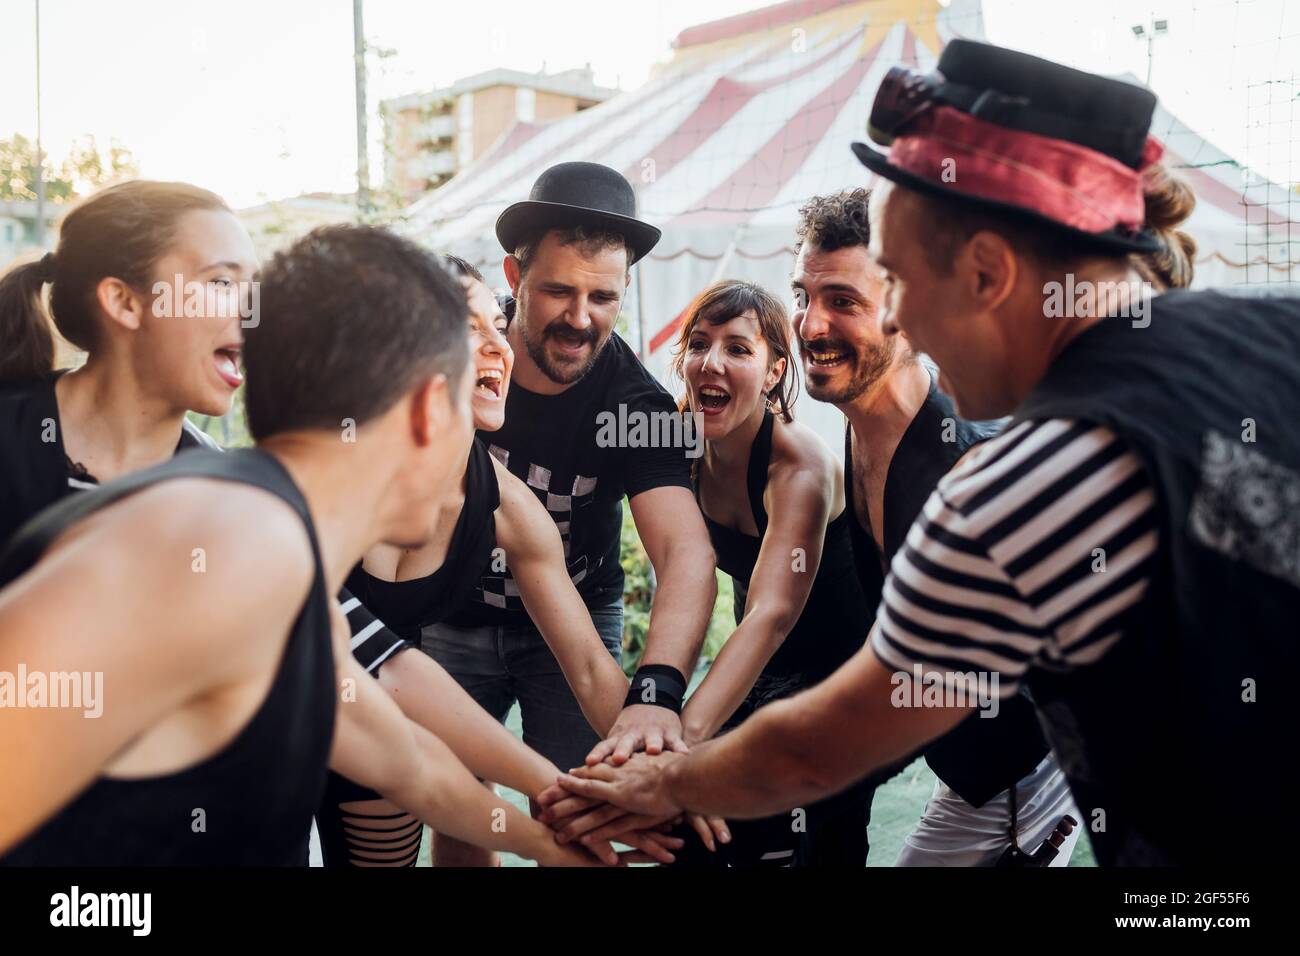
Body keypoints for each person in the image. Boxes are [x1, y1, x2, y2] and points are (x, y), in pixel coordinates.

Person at [541, 39, 1300, 867]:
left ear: (987, 273)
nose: (898, 319)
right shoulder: (1279, 328)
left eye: (893, 282)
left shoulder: (1011, 489)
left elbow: (816, 747)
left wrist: (662, 784)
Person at [0, 223, 620, 866]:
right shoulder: (226, 544)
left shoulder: (279, 554)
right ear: (429, 407)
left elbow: (408, 761)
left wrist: (555, 840)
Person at [419, 161, 719, 863]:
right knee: (456, 812)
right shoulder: (454, 353)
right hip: (447, 611)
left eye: (603, 297)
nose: (580, 320)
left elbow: (686, 553)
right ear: (513, 277)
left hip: (572, 618)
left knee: (595, 804)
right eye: (557, 290)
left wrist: (656, 693)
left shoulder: (638, 406)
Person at [316, 255, 655, 868]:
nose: (501, 346)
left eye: (498, 324)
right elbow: (379, 669)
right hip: (267, 717)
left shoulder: (504, 503)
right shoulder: (322, 481)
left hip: (380, 714)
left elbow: (586, 663)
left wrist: (667, 771)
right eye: (469, 328)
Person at [790, 189, 1077, 867]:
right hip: (972, 779)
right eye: (803, 295)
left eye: (843, 301)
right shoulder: (854, 436)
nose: (809, 323)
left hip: (1034, 783)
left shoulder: (971, 463)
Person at [659, 278, 873, 867]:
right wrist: (664, 705)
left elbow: (772, 612)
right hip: (761, 667)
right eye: (699, 344)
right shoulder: (680, 446)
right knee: (692, 826)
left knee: (812, 839)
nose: (712, 362)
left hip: (844, 675)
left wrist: (687, 733)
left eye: (738, 348)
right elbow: (685, 578)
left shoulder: (797, 465)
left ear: (775, 371)